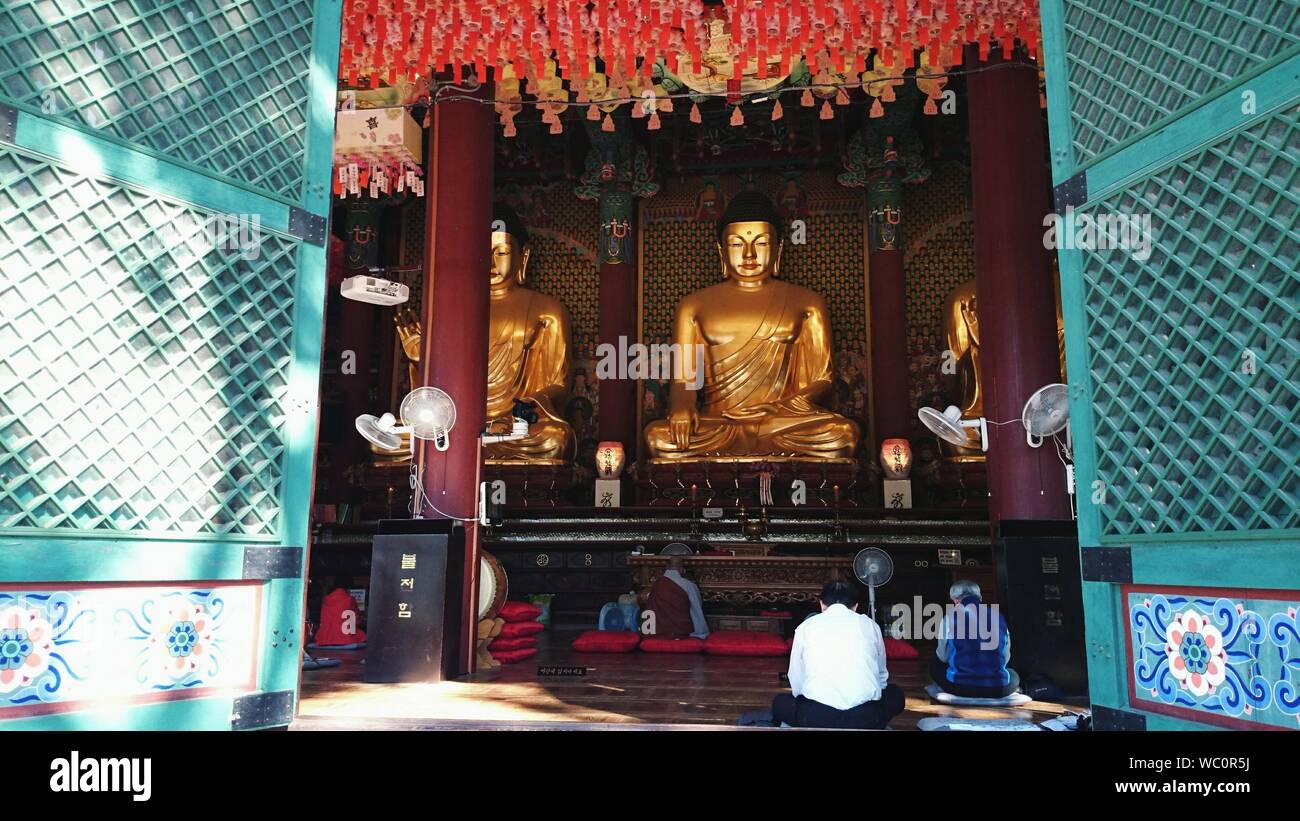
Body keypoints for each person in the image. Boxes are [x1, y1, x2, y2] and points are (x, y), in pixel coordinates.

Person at [772, 580, 904, 729]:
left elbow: (796, 678)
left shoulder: (805, 627)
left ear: (822, 605)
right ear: (855, 607)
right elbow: (881, 675)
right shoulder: (870, 625)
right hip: (865, 718)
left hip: (815, 716)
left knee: (780, 701)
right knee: (895, 694)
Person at [931, 580, 1020, 698]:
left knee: (935, 665)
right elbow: (1005, 657)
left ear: (956, 600)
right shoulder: (999, 617)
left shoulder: (949, 617)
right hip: (998, 689)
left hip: (961, 687)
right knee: (1013, 674)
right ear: (980, 598)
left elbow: (943, 657)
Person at [643, 556, 709, 639]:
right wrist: (701, 633)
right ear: (682, 569)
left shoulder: (656, 584)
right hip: (680, 633)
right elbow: (696, 610)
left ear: (667, 566)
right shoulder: (689, 585)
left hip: (654, 632)